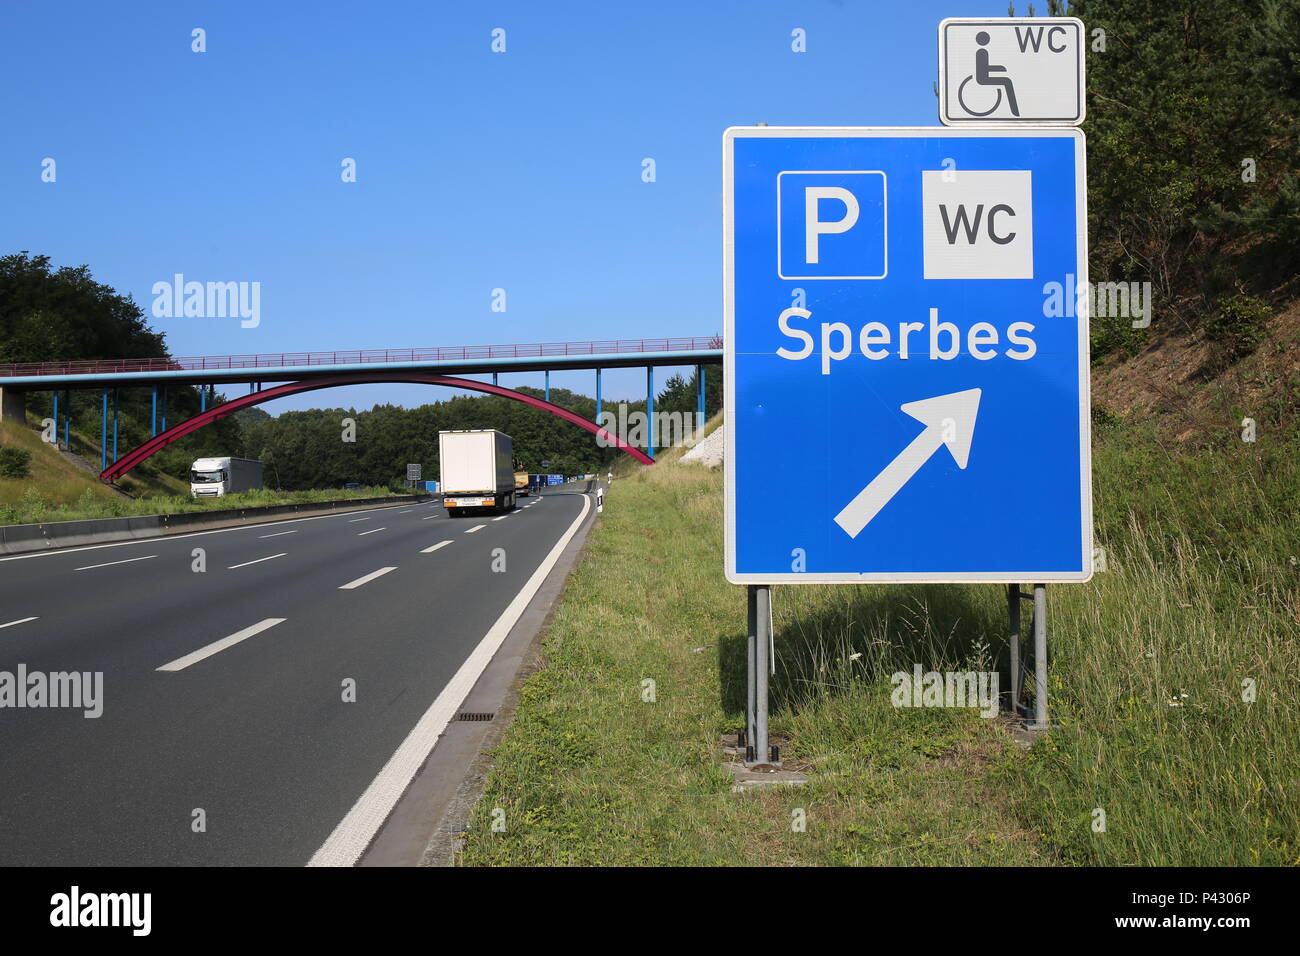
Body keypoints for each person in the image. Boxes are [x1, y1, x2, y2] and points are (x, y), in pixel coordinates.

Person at [974, 31, 1019, 116]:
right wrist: (999, 68)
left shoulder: (983, 51)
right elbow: (983, 68)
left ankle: (1015, 110)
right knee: (1007, 81)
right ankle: (1014, 110)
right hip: (982, 78)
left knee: (1006, 81)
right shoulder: (982, 51)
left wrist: (1000, 68)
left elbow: (986, 67)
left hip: (985, 76)